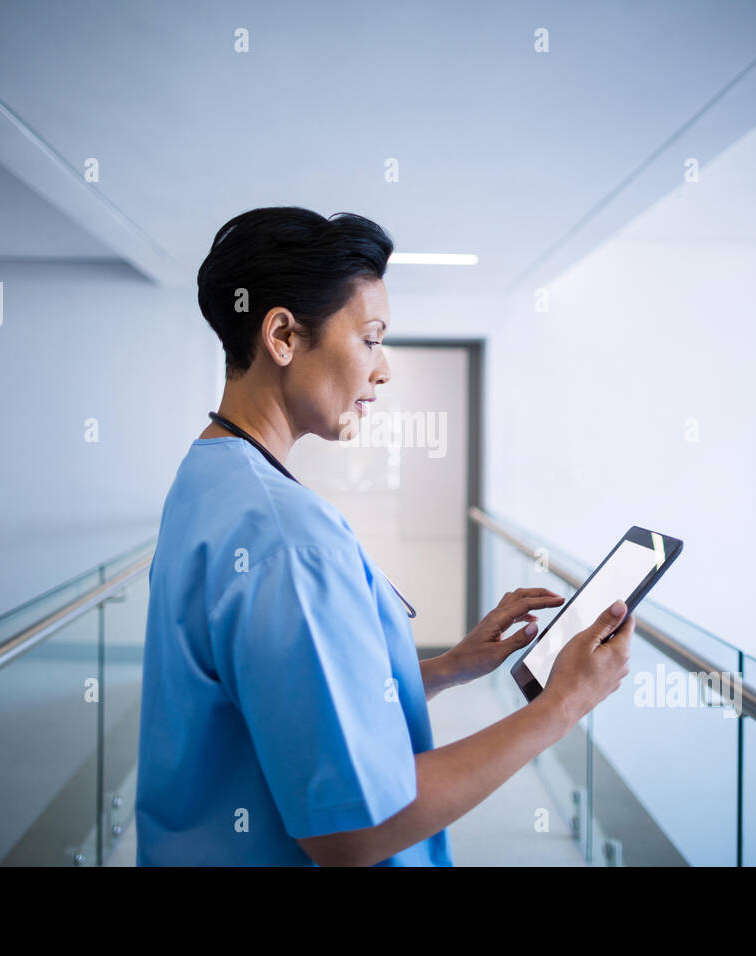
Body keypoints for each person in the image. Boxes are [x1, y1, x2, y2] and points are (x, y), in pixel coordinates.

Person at [134, 206, 636, 866]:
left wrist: (450, 668)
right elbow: (355, 832)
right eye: (371, 338)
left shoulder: (209, 477)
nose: (383, 369)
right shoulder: (287, 537)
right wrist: (562, 706)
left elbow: (286, 699)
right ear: (282, 335)